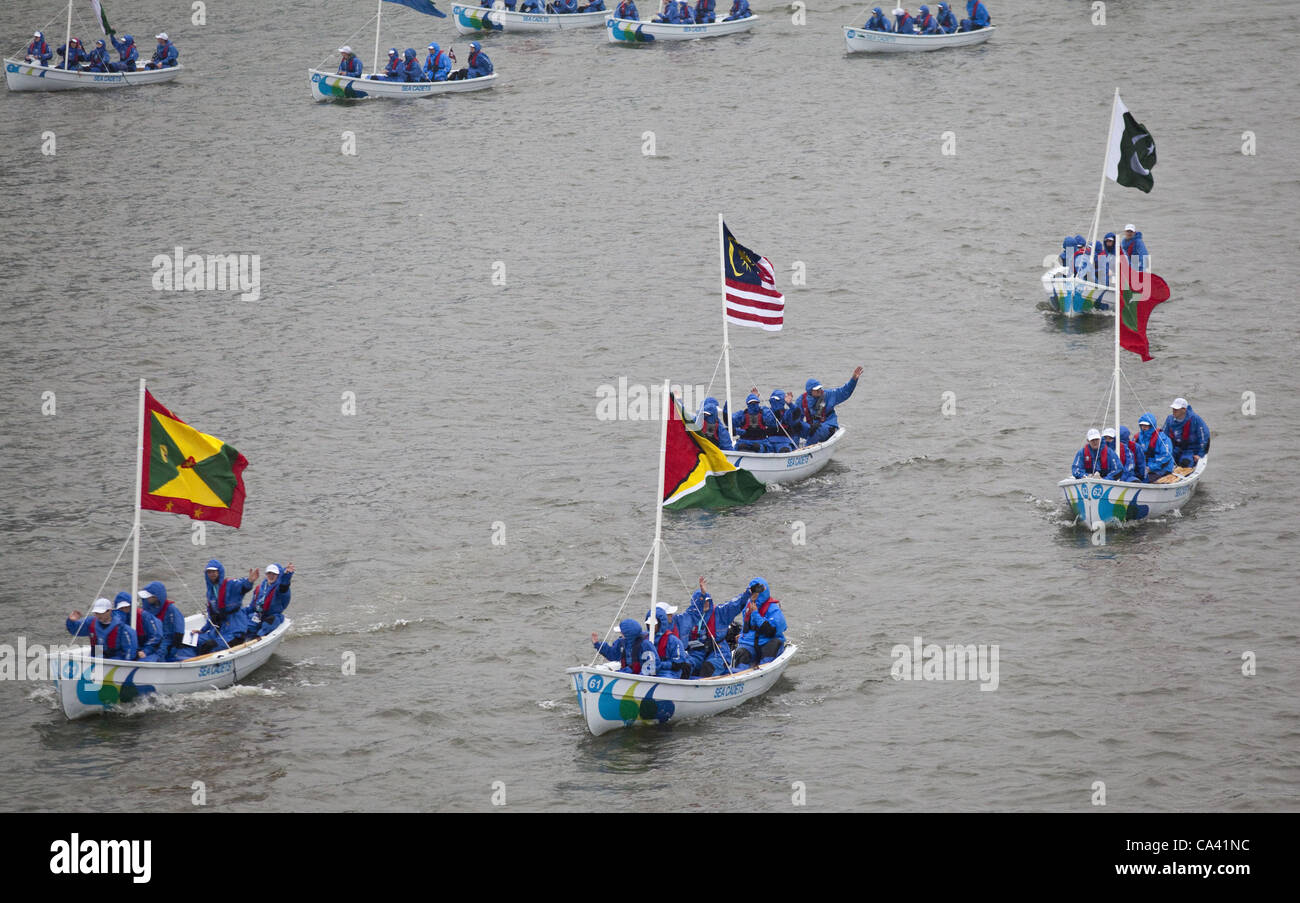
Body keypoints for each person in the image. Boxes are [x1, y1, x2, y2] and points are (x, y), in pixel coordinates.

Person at [678, 578, 745, 678]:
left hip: (718, 652)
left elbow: (735, 605)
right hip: (697, 652)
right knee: (685, 666)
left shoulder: (720, 613)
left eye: (707, 601)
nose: (706, 604)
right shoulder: (689, 618)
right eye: (702, 602)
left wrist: (747, 594)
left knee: (708, 667)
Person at [195, 560, 255, 654]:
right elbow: (212, 615)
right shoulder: (210, 592)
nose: (212, 574)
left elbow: (242, 586)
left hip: (235, 630)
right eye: (209, 572)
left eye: (214, 571)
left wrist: (249, 582)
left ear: (219, 572)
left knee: (210, 646)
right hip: (220, 628)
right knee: (196, 641)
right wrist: (203, 630)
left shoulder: (230, 584)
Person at [795, 366, 863, 446]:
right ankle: (793, 448)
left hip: (828, 427)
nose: (819, 390)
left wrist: (854, 379)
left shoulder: (828, 395)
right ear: (810, 391)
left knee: (815, 429)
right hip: (811, 428)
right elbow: (796, 418)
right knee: (795, 426)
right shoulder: (801, 400)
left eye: (820, 388)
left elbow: (844, 392)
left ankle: (806, 450)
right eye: (816, 389)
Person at [731, 578, 786, 668]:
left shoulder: (773, 609)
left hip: (767, 642)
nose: (754, 595)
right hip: (750, 643)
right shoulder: (748, 606)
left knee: (773, 645)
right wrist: (741, 635)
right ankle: (740, 674)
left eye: (757, 591)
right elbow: (746, 626)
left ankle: (763, 667)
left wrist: (756, 614)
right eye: (752, 591)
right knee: (741, 653)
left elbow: (771, 631)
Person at [67, 598, 138, 660]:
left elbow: (129, 650)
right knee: (97, 654)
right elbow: (75, 630)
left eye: (101, 612)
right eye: (96, 613)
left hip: (115, 660)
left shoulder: (121, 627)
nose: (99, 615)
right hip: (97, 657)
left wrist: (126, 664)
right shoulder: (90, 622)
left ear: (109, 611)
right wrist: (71, 621)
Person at [138, 581, 192, 661]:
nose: (146, 599)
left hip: (166, 642)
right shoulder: (147, 608)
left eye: (149, 596)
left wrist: (173, 648)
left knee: (158, 655)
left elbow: (178, 631)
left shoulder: (171, 610)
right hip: (153, 639)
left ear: (156, 597)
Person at [592, 618, 659, 676]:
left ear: (628, 634)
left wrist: (640, 677)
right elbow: (613, 655)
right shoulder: (622, 642)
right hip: (627, 673)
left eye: (622, 633)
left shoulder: (645, 644)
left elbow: (652, 665)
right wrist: (598, 645)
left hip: (639, 677)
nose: (621, 634)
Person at [246, 563, 294, 637]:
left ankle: (259, 637)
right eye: (269, 573)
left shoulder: (280, 588)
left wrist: (287, 575)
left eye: (274, 574)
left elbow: (284, 586)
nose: (271, 576)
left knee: (267, 625)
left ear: (278, 575)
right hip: (259, 615)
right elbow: (252, 606)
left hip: (273, 616)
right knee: (245, 625)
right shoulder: (260, 588)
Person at [1162, 397, 1209, 468]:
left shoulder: (1195, 419)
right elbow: (1163, 436)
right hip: (1175, 448)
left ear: (1184, 409)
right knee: (1164, 462)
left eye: (1176, 409)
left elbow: (1204, 437)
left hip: (1190, 450)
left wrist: (1200, 454)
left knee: (1185, 463)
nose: (1174, 411)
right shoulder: (1169, 419)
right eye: (1173, 409)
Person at [648, 604, 689, 678]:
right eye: (649, 624)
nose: (672, 616)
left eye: (654, 624)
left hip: (668, 672)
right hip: (649, 670)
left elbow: (678, 663)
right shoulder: (645, 639)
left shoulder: (673, 640)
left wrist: (660, 664)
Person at [1136, 413, 1174, 481]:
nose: (1143, 427)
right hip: (1145, 467)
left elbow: (1166, 457)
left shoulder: (1163, 439)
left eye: (1146, 425)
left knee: (1146, 480)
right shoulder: (1138, 437)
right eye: (1142, 425)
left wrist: (1150, 468)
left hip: (1162, 468)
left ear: (1151, 425)